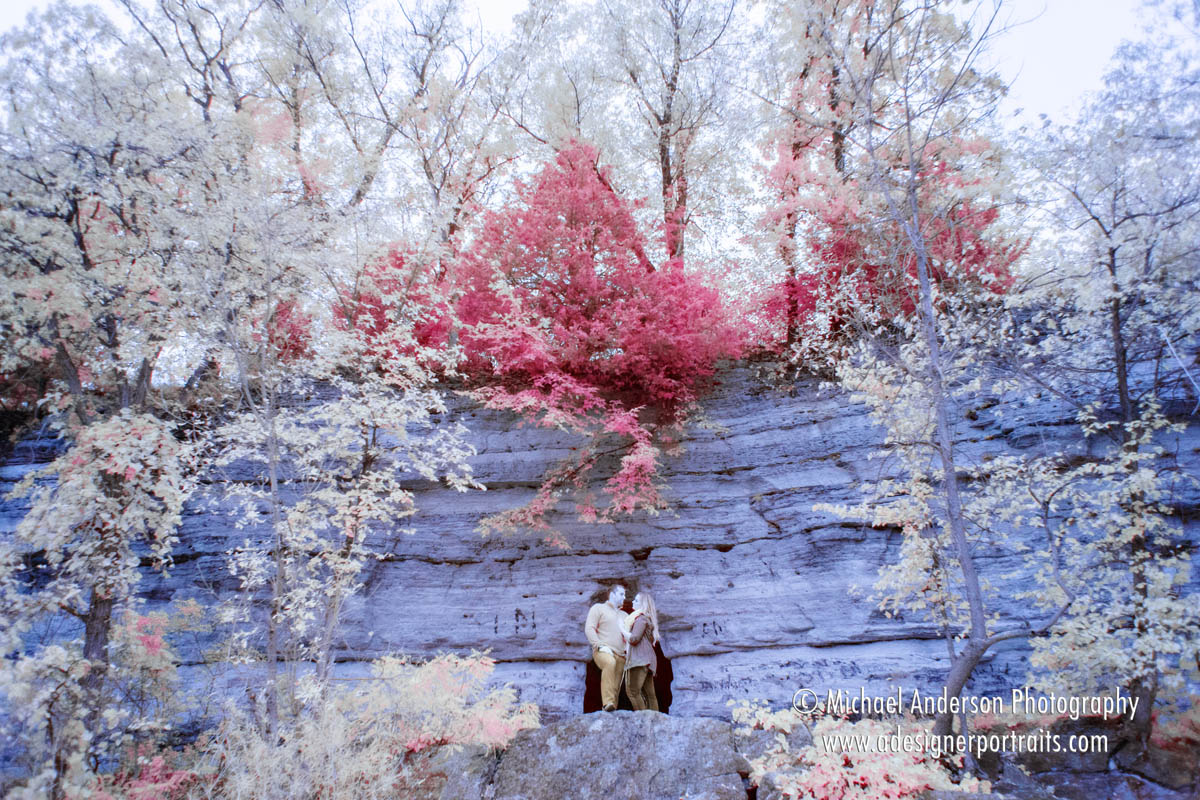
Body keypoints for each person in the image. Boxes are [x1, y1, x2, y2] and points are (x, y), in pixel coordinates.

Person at [584, 583, 628, 711]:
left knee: (616, 683)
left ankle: (612, 709)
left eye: (625, 595)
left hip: (621, 654)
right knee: (609, 663)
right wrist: (599, 645)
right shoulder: (598, 608)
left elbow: (629, 636)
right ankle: (607, 703)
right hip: (603, 650)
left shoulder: (624, 615)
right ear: (612, 594)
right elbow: (589, 628)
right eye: (621, 594)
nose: (624, 597)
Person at [622, 591, 661, 712]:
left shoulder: (641, 619)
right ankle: (655, 721)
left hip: (639, 659)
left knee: (633, 691)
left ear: (643, 604)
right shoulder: (647, 619)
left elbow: (634, 639)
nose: (632, 602)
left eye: (636, 600)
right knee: (650, 694)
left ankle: (643, 720)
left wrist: (621, 629)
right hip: (648, 659)